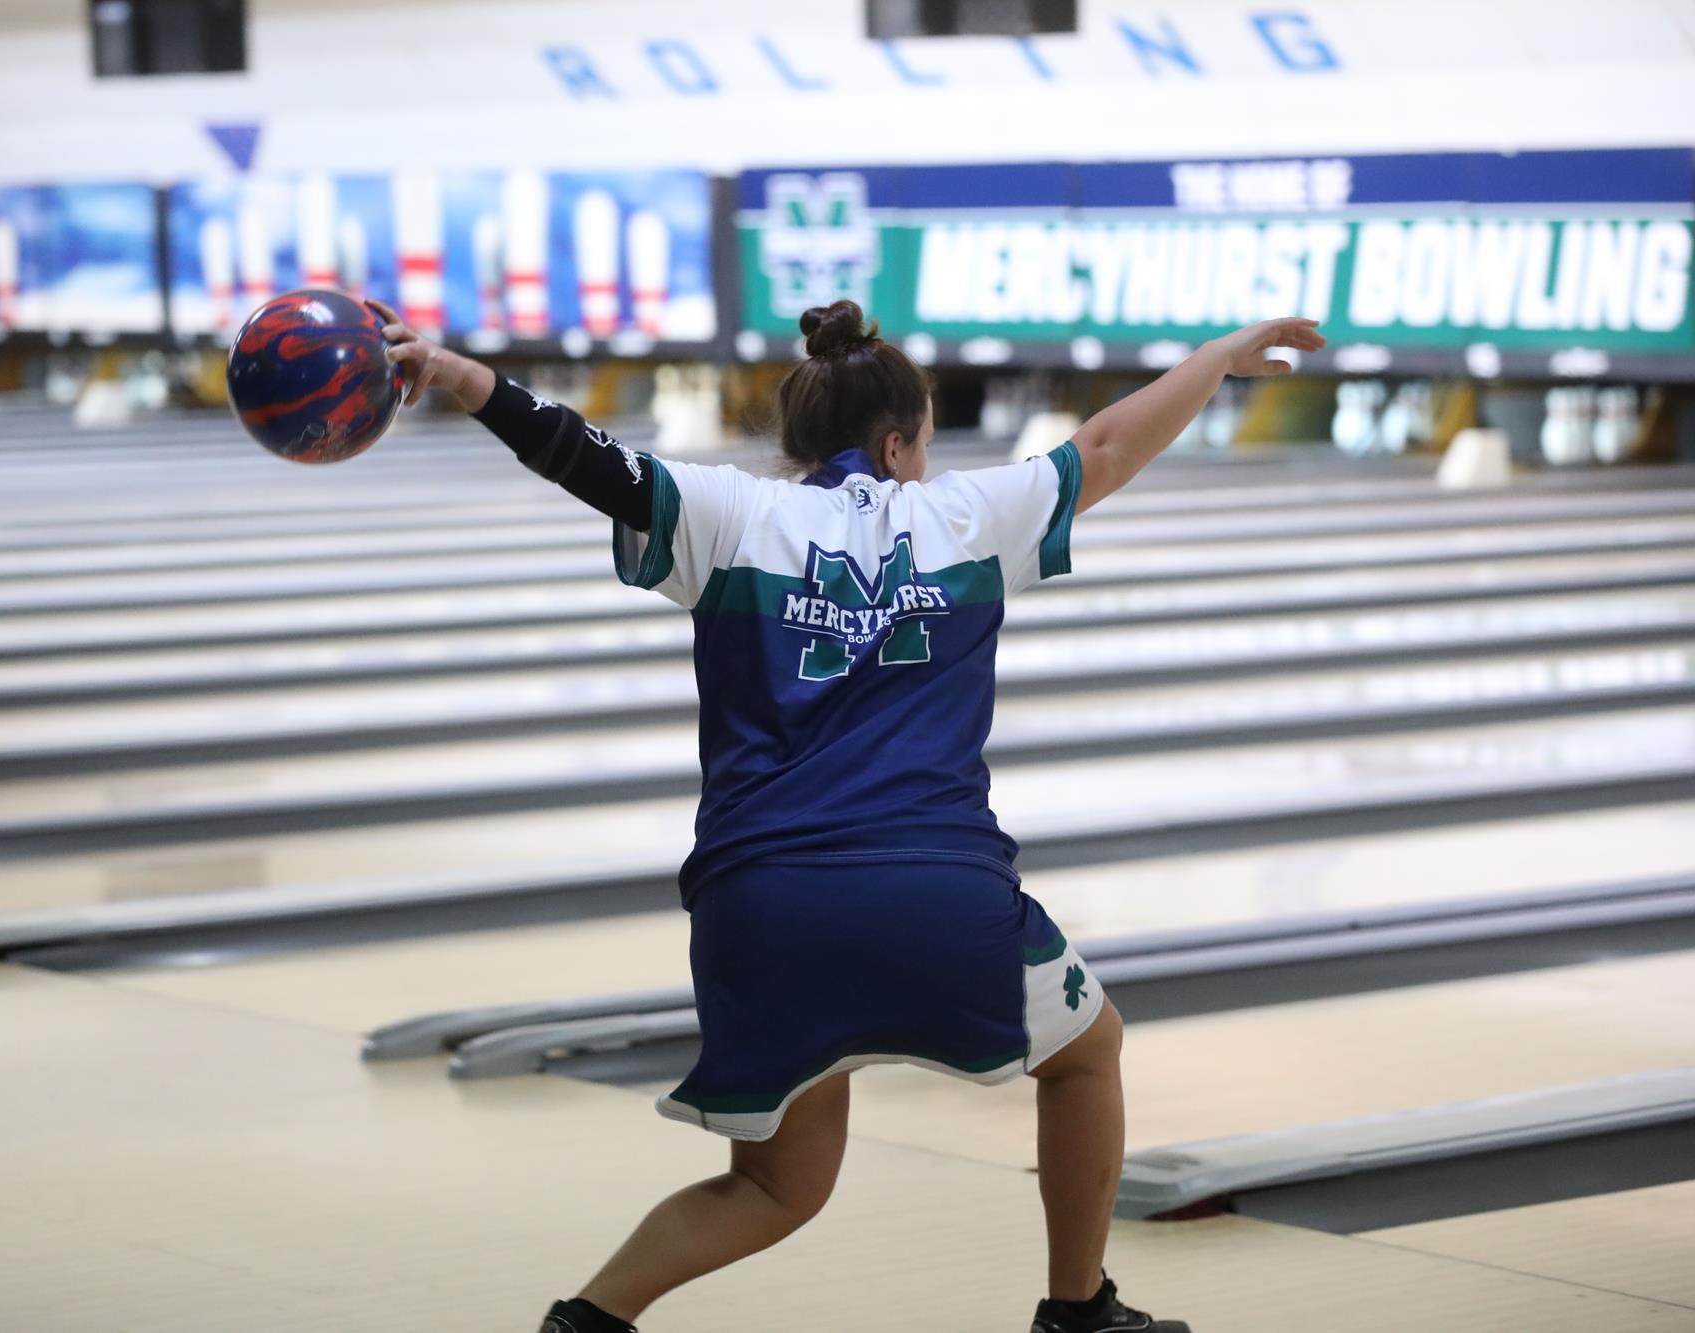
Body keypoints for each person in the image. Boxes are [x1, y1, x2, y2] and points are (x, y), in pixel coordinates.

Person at [370, 297, 1325, 1333]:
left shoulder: (726, 512)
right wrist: (1214, 356)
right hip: (935, 896)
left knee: (777, 1187)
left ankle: (586, 1323)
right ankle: (1077, 1311)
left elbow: (578, 452)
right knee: (1087, 1050)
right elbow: (1102, 442)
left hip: (759, 903)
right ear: (896, 441)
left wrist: (462, 377)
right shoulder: (965, 514)